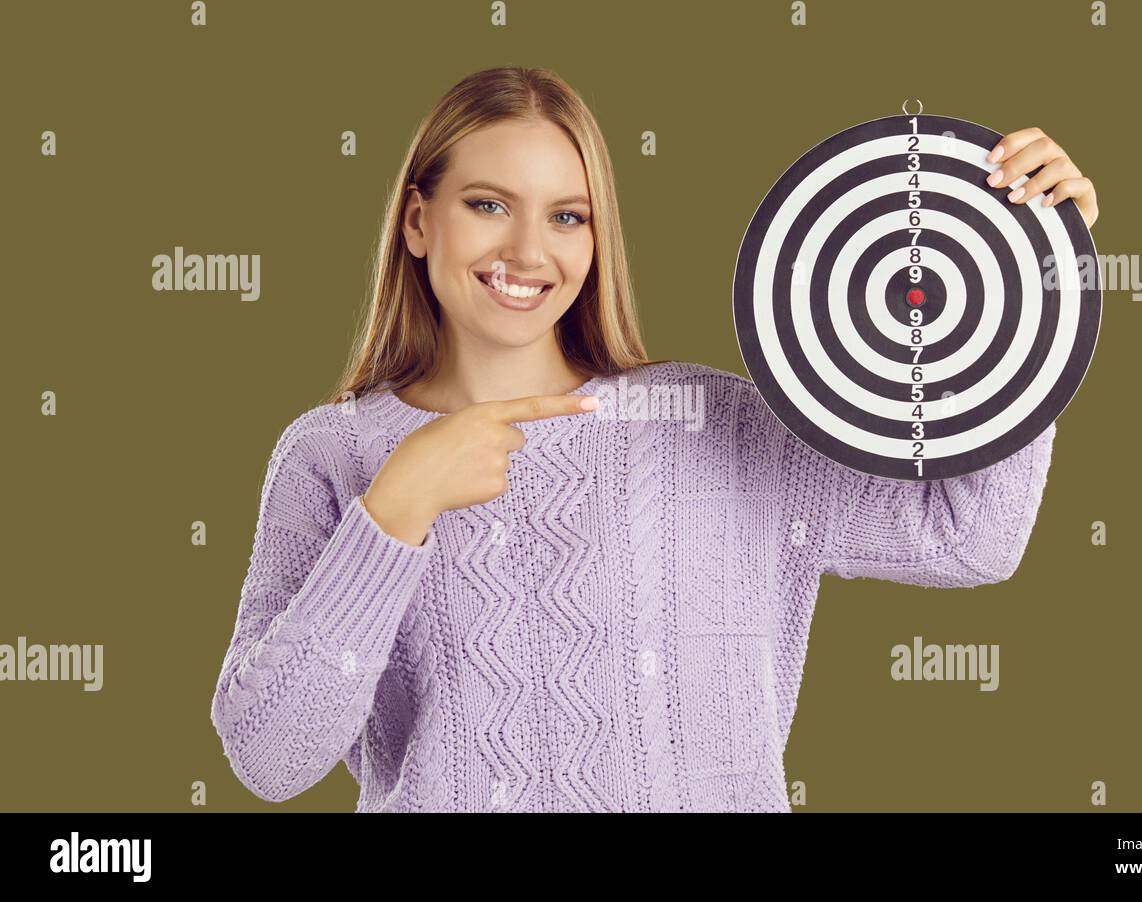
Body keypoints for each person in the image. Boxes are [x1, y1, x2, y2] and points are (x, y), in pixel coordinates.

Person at [209, 66, 1095, 812]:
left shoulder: (715, 424)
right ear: (416, 222)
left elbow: (968, 538)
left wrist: (1029, 273)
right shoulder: (331, 456)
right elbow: (270, 759)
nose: (527, 250)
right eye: (487, 204)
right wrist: (396, 511)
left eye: (567, 216)